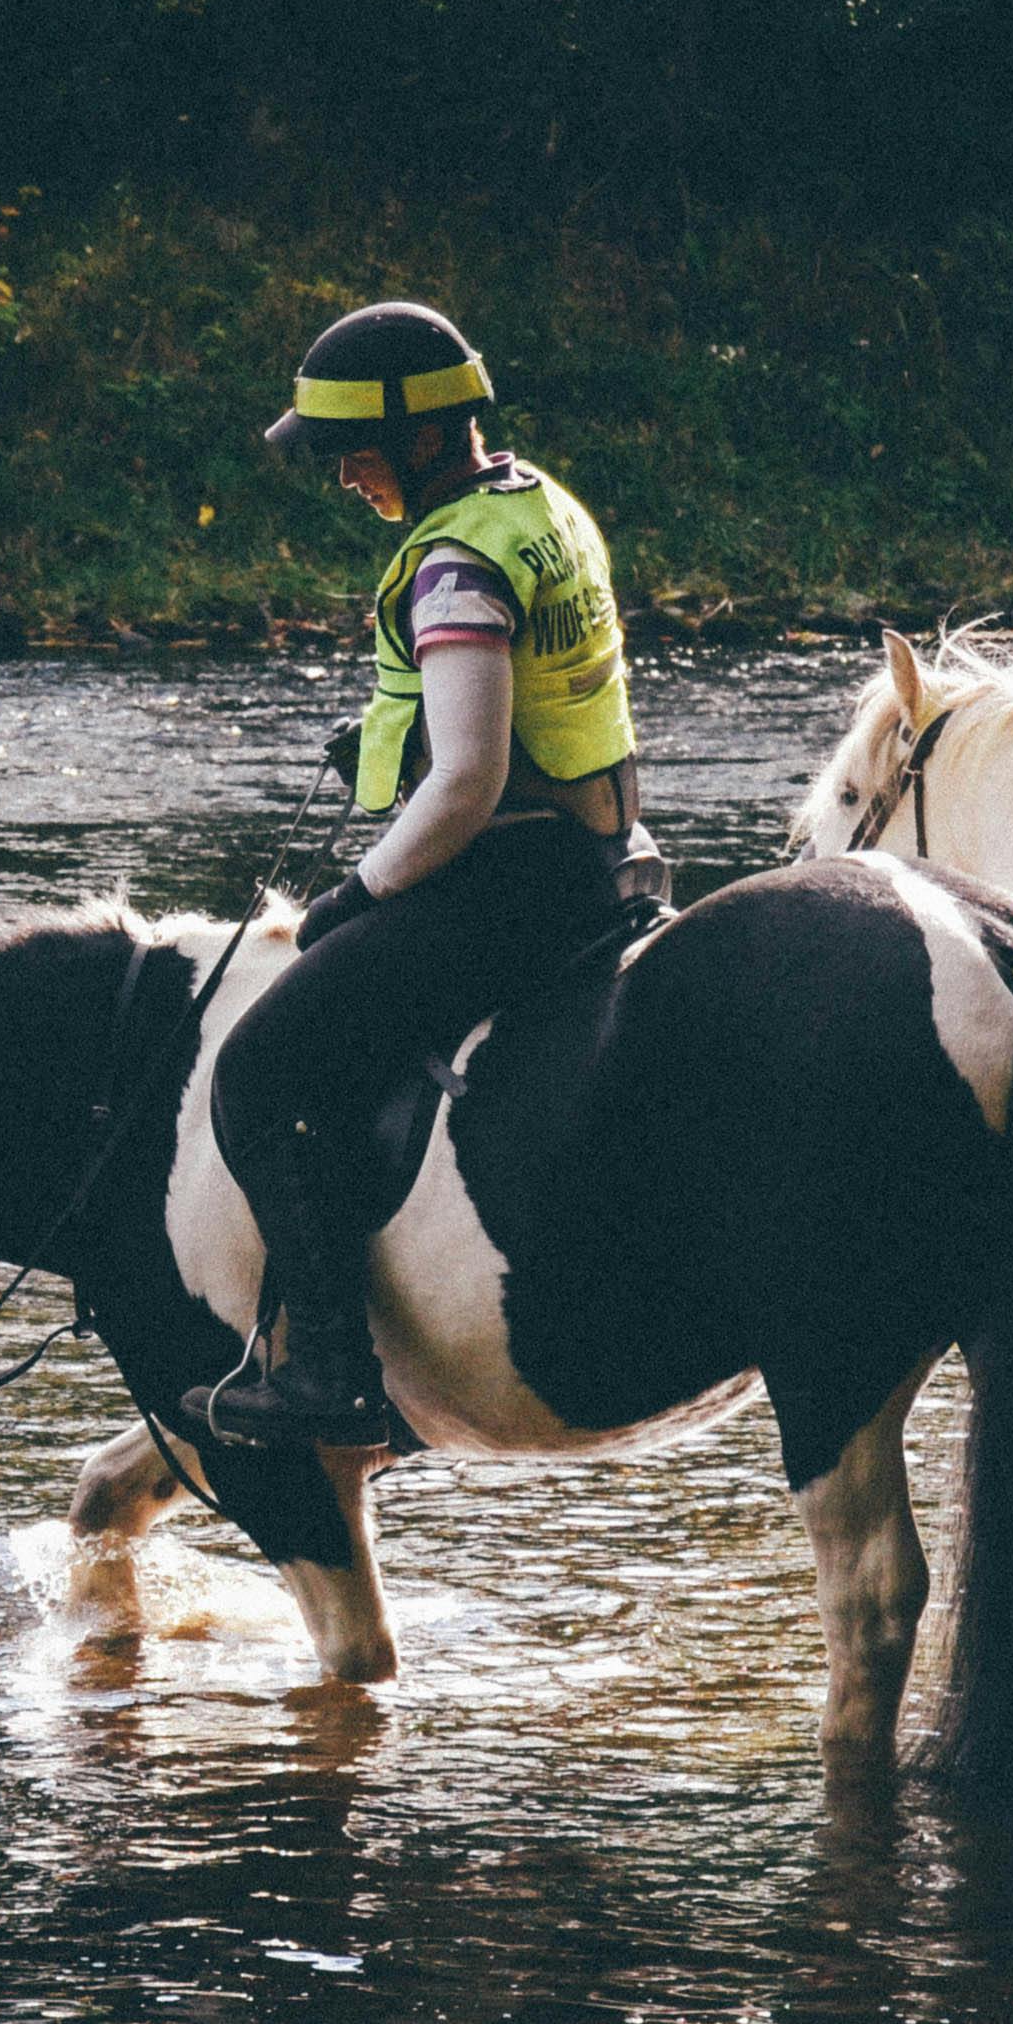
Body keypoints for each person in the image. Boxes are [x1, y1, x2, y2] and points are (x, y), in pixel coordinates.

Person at [195, 300, 645, 1449]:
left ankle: (332, 1376)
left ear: (426, 436)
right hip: (599, 855)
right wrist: (385, 739)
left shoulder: (450, 566)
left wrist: (357, 895)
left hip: (507, 883)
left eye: (355, 451)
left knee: (256, 1073)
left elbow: (466, 788)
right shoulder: (535, 504)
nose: (344, 475)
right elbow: (503, 711)